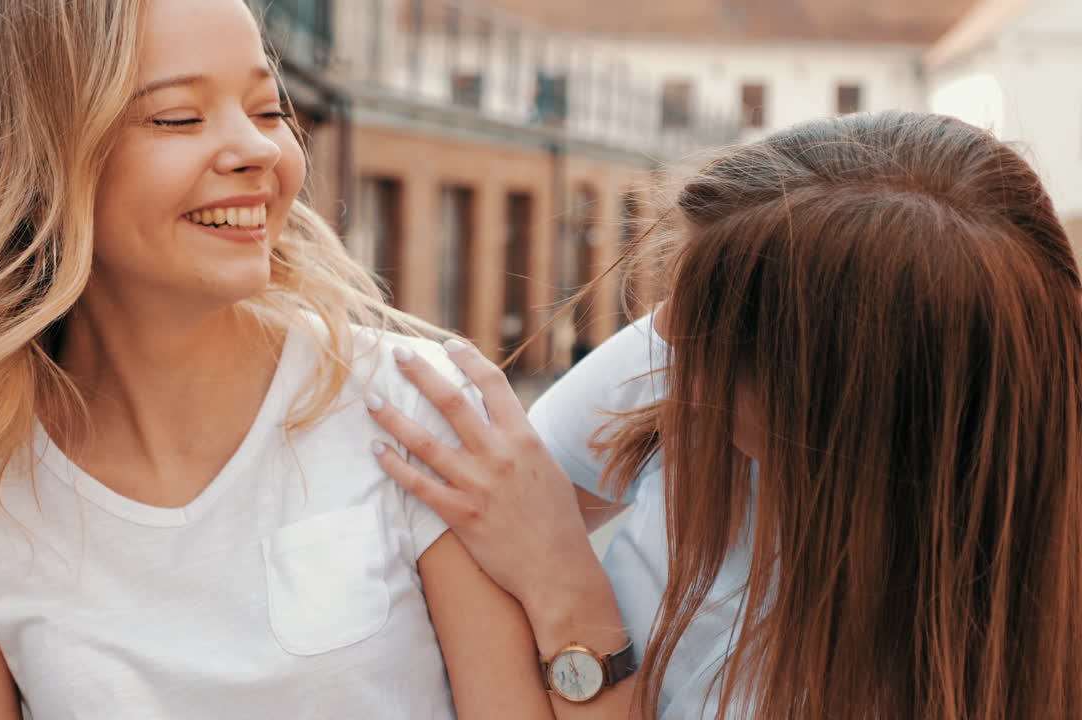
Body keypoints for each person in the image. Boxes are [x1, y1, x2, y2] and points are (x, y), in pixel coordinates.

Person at [0, 1, 557, 718]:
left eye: (269, 111)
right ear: (31, 169)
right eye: (178, 117)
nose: (259, 148)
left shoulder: (415, 407)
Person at [368, 111, 1082, 719]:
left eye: (708, 324)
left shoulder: (957, 658)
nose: (666, 333)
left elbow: (517, 543)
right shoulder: (701, 336)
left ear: (838, 415)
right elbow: (473, 510)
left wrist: (570, 601)